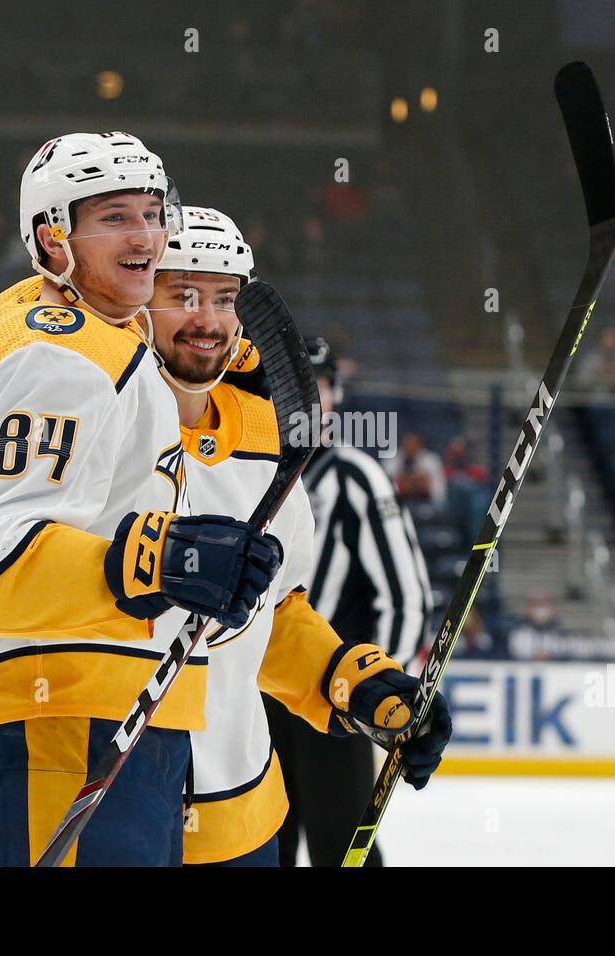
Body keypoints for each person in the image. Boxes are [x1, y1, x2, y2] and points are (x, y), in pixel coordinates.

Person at [0, 132, 282, 866]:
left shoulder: (62, 325)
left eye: (154, 213)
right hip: (62, 710)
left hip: (97, 707)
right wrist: (164, 564)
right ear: (53, 237)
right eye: (114, 218)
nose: (146, 237)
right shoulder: (63, 355)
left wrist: (239, 356)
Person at [143, 208, 450, 866]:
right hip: (218, 709)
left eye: (223, 299)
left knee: (341, 839)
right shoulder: (119, 420)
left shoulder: (344, 475)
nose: (207, 319)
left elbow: (395, 595)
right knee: (281, 841)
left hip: (310, 688)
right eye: (185, 296)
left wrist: (369, 681)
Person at [268, 336, 435, 867]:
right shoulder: (247, 468)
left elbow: (405, 595)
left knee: (340, 844)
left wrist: (376, 690)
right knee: (256, 840)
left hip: (332, 695)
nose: (310, 401)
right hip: (252, 696)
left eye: (319, 387)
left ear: (336, 398)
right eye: (296, 387)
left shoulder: (356, 477)